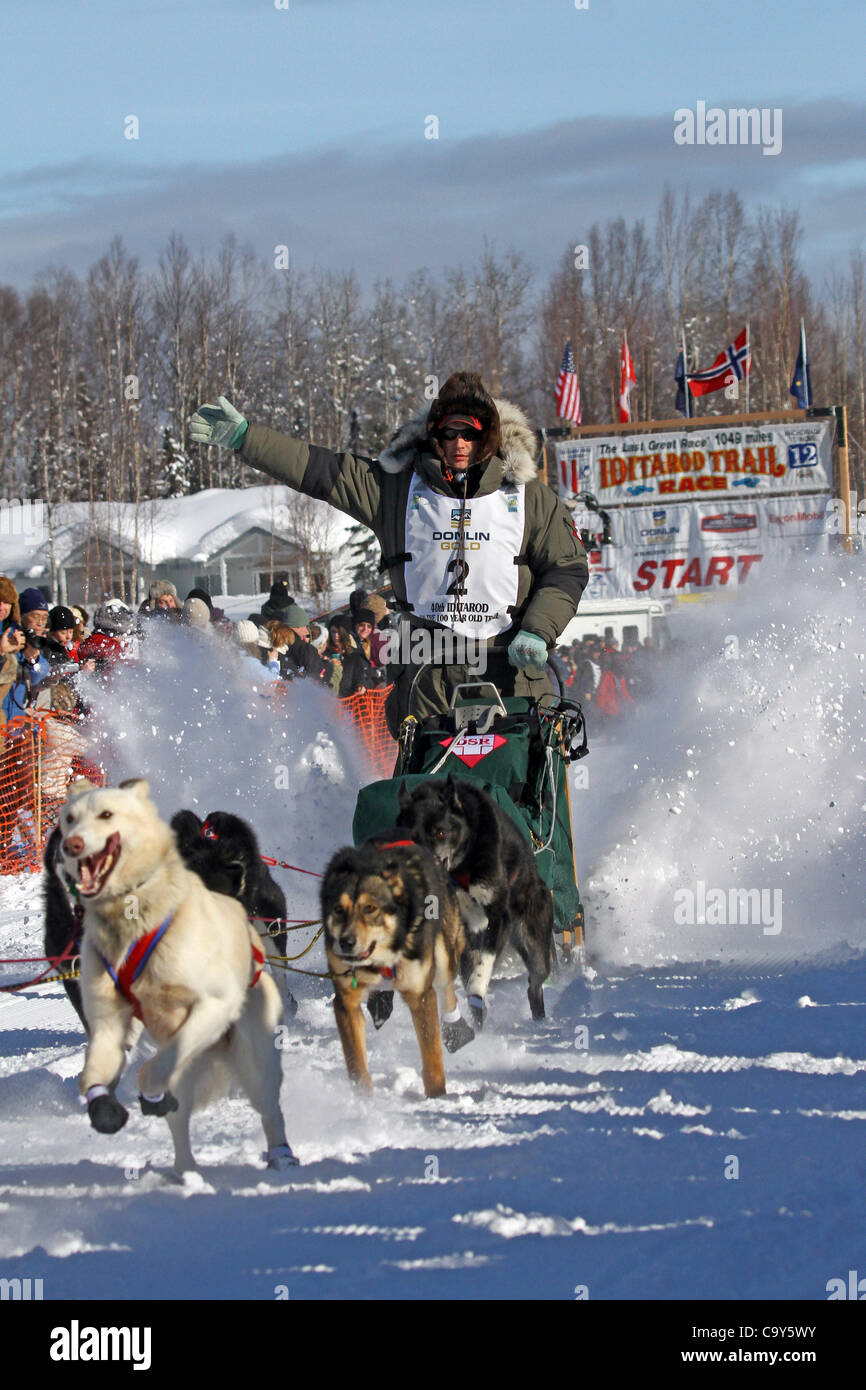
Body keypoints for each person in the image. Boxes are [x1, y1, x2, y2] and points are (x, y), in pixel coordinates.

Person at [190, 372, 588, 731]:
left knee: (522, 790)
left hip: (511, 671)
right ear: (435, 435)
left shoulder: (529, 499)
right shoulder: (396, 491)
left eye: (470, 433)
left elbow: (566, 569)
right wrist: (247, 438)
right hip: (426, 681)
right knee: (425, 804)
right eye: (450, 432)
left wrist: (538, 630)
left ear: (490, 435)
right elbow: (321, 471)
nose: (460, 443)